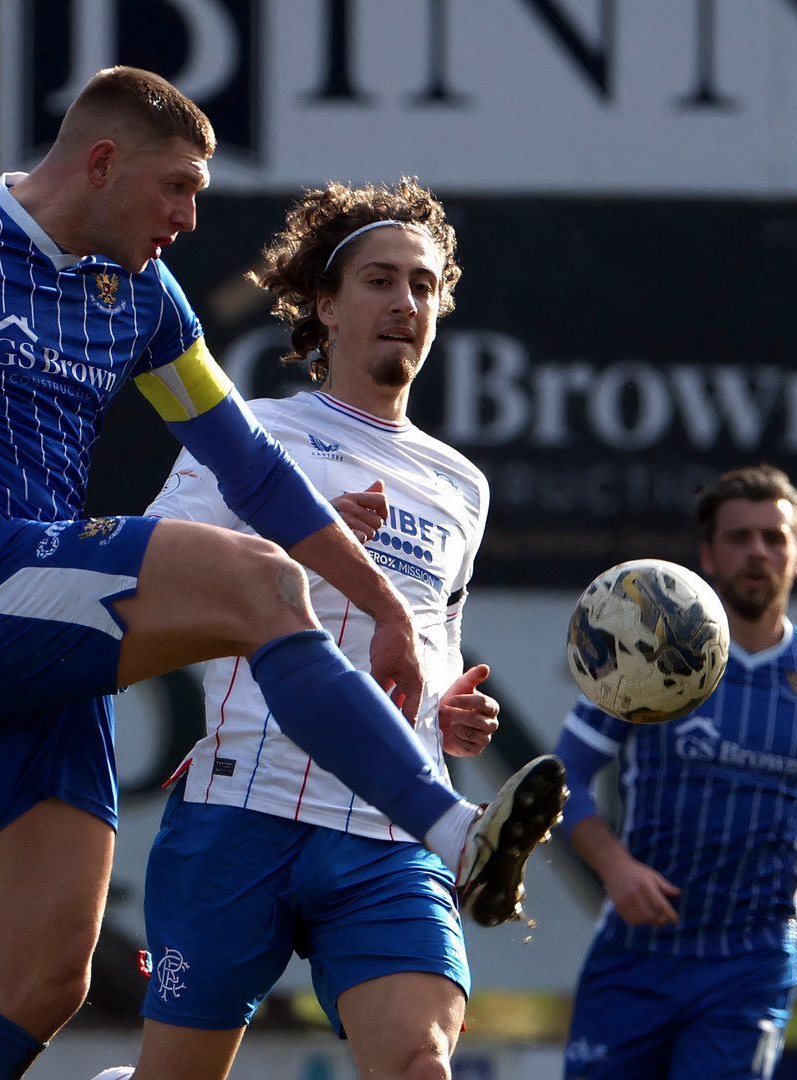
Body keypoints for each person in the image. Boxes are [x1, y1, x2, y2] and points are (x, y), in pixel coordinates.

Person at [0, 67, 566, 1079]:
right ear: (101, 162)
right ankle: (454, 830)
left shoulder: (144, 298)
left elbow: (249, 468)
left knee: (43, 981)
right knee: (259, 584)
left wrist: (388, 607)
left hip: (51, 640)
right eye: (177, 189)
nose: (188, 215)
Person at [89, 180, 553, 1080]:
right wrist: (304, 529)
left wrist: (450, 713)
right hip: (240, 806)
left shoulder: (462, 484)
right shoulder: (255, 436)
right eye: (380, 281)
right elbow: (152, 572)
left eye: (423, 286)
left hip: (387, 829)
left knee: (420, 1067)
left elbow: (432, 636)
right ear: (325, 307)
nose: (405, 304)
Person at [553, 465, 797, 1079]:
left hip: (749, 961)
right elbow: (564, 778)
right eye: (739, 538)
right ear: (707, 556)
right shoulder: (645, 655)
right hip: (636, 954)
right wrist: (616, 868)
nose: (757, 552)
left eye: (774, 537)